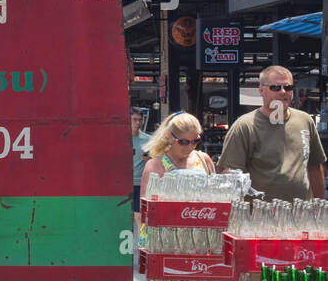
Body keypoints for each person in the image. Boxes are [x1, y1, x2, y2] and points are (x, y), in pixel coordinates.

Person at [218, 65, 327, 202]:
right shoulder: (244, 126)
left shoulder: (305, 120)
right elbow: (230, 175)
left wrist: (320, 208)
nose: (283, 92)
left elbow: (315, 167)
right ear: (261, 90)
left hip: (300, 215)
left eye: (288, 88)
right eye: (275, 88)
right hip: (261, 216)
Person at [139, 111, 215, 202]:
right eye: (184, 142)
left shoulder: (204, 159)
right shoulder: (155, 164)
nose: (190, 147)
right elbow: (146, 207)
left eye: (195, 141)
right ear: (169, 136)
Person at [131, 110, 152, 239]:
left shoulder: (148, 140)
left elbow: (157, 159)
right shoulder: (119, 138)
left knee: (139, 216)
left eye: (140, 120)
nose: (138, 123)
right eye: (134, 119)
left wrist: (150, 159)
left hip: (141, 183)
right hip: (123, 184)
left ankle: (142, 244)